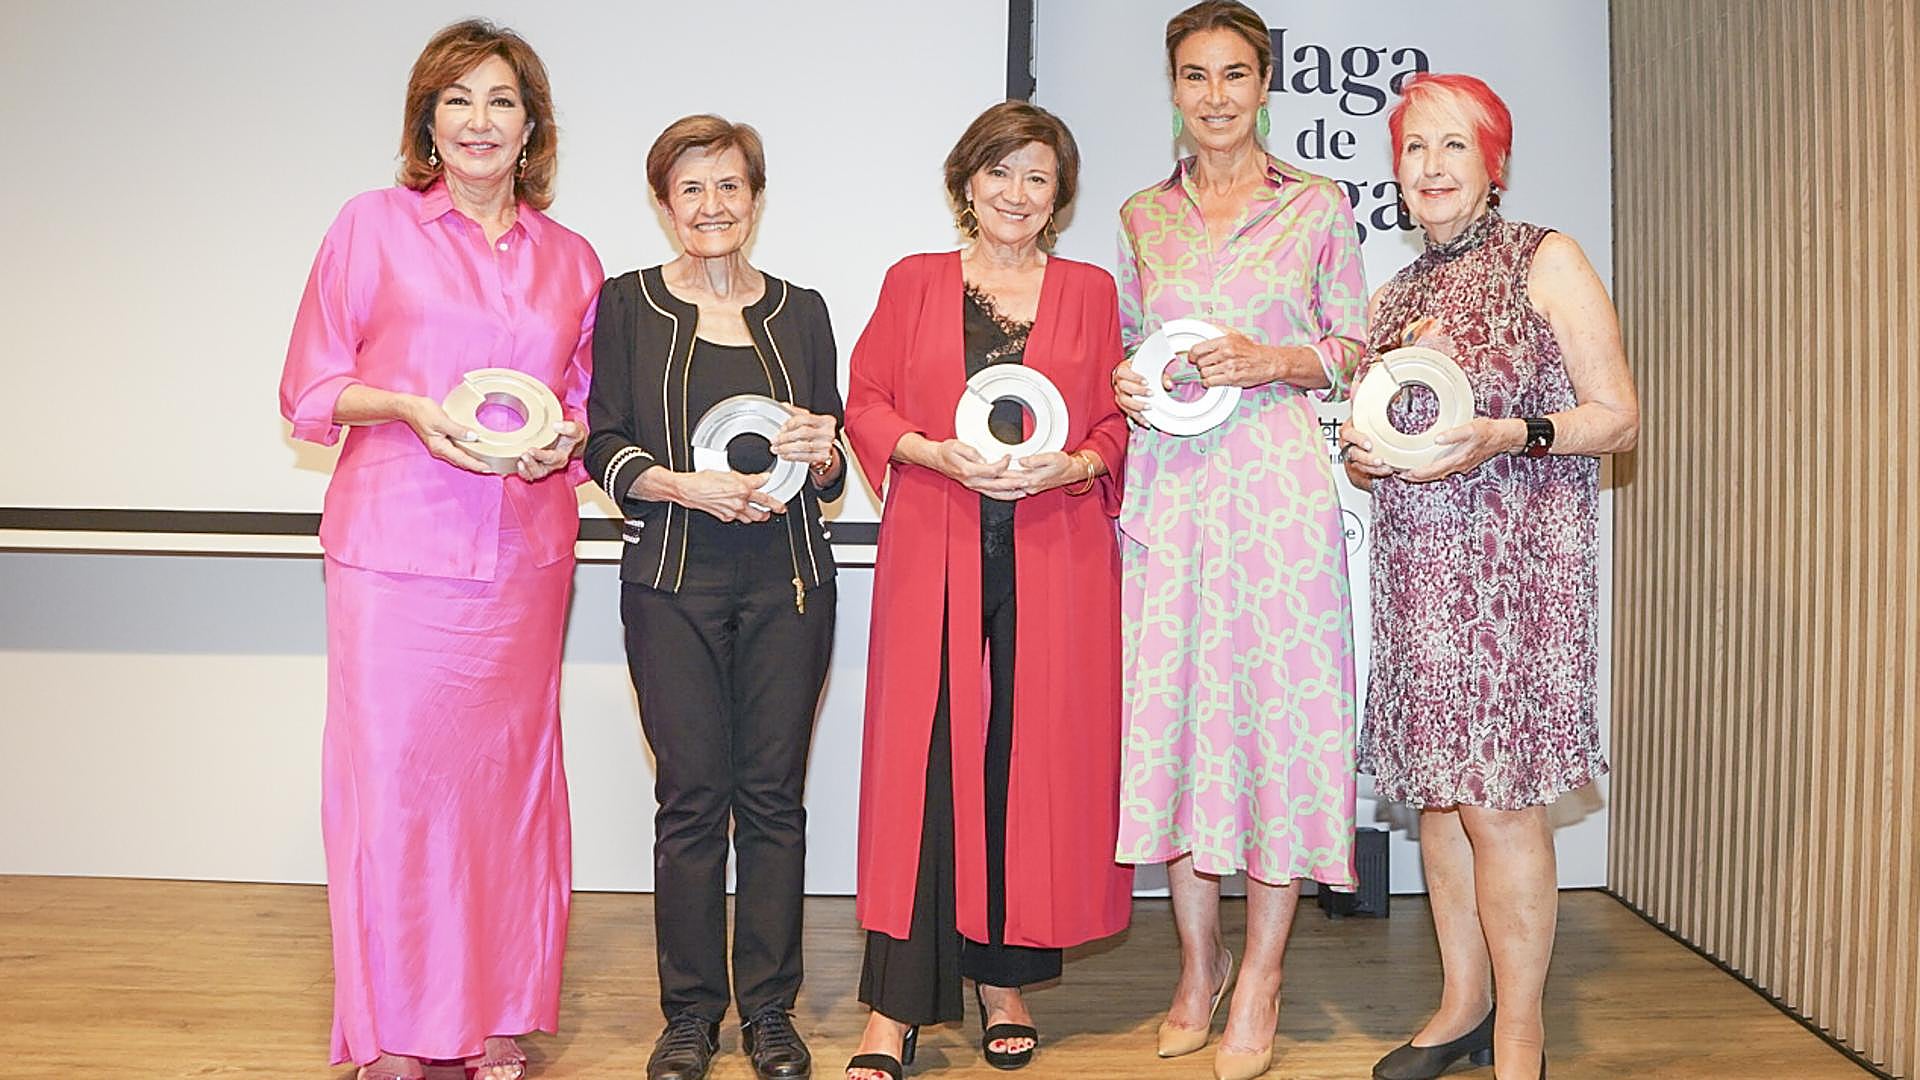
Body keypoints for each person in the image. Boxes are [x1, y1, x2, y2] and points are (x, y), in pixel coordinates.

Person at [277, 19, 601, 1080]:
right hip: (395, 553)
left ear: (531, 124)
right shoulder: (371, 227)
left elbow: (584, 407)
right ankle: (395, 1034)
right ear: (427, 120)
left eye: (501, 100)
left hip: (523, 561)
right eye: (457, 100)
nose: (479, 121)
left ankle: (494, 1016)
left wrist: (565, 439)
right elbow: (312, 389)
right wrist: (411, 410)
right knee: (395, 794)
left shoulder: (572, 259)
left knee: (505, 793)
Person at [1339, 73, 1639, 1080]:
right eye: (1416, 148)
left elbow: (1617, 416)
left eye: (1454, 146)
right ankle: (1462, 1004)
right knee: (1438, 802)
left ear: (1492, 162)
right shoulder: (1393, 298)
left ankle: (1521, 1029)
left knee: (1500, 805)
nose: (1431, 166)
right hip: (1418, 591)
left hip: (1517, 588)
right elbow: (1370, 438)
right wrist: (1362, 457)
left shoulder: (1544, 260)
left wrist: (1511, 432)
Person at [841, 100, 1132, 1080]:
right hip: (937, 543)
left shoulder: (1090, 292)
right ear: (968, 182)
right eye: (1000, 172)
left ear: (1060, 198)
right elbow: (868, 402)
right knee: (922, 772)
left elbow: (1113, 423)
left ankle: (1001, 981)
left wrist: (1078, 468)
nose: (1017, 193)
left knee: (1025, 765)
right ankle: (893, 1009)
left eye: (1038, 177)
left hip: (1054, 556)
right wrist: (929, 452)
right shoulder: (916, 282)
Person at [1107, 3, 1367, 1078]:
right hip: (1169, 503)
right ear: (1173, 86)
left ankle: (1260, 976)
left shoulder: (1316, 208)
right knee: (1176, 725)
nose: (1214, 95)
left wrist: (1275, 358)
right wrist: (1122, 383)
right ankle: (1196, 963)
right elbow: (1126, 346)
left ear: (1266, 85)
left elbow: (1356, 346)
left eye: (1234, 75)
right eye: (1195, 75)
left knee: (1274, 731)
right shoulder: (1138, 216)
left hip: (1277, 499)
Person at [582, 115, 843, 1080]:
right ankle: (690, 1015)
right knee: (691, 802)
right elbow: (600, 441)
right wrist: (678, 484)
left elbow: (832, 462)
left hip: (790, 586)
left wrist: (824, 458)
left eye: (729, 186)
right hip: (672, 583)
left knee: (774, 801)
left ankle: (770, 1013)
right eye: (689, 190)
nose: (711, 207)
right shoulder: (627, 305)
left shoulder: (803, 311)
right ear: (662, 205)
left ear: (757, 198)